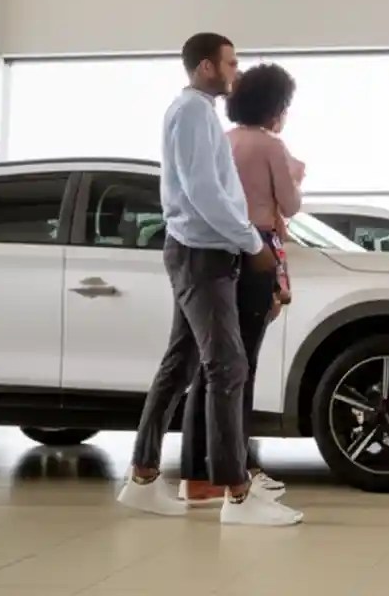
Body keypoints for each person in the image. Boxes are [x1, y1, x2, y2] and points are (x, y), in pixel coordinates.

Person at [117, 33, 303, 527]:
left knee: (180, 365)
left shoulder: (201, 115)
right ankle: (236, 494)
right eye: (230, 62)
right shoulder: (195, 113)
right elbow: (205, 191)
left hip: (199, 250)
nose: (236, 72)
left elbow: (213, 187)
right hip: (203, 254)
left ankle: (142, 476)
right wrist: (251, 244)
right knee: (226, 366)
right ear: (206, 68)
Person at [179, 63, 303, 506]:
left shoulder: (225, 140)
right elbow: (290, 203)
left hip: (219, 251)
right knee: (240, 366)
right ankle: (234, 471)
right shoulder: (271, 145)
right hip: (257, 253)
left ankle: (198, 473)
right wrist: (295, 174)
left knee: (210, 368)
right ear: (275, 107)